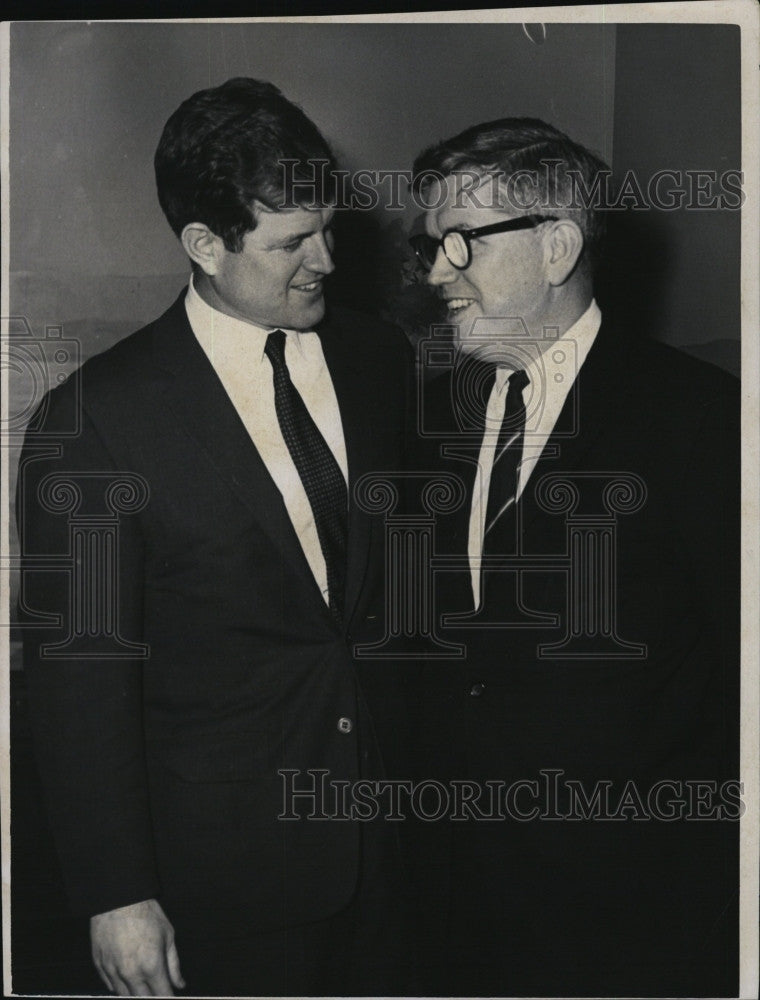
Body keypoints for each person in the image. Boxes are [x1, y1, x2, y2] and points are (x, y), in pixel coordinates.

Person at [17, 78, 413, 997]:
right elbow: (80, 685)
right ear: (203, 244)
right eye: (290, 243)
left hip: (394, 856)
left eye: (328, 227)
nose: (325, 259)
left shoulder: (380, 358)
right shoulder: (95, 420)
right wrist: (117, 895)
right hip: (226, 887)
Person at [407, 118, 740, 996]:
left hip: (642, 921)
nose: (436, 271)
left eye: (459, 243)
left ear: (556, 245)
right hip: (456, 913)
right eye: (430, 246)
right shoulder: (429, 419)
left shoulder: (704, 421)